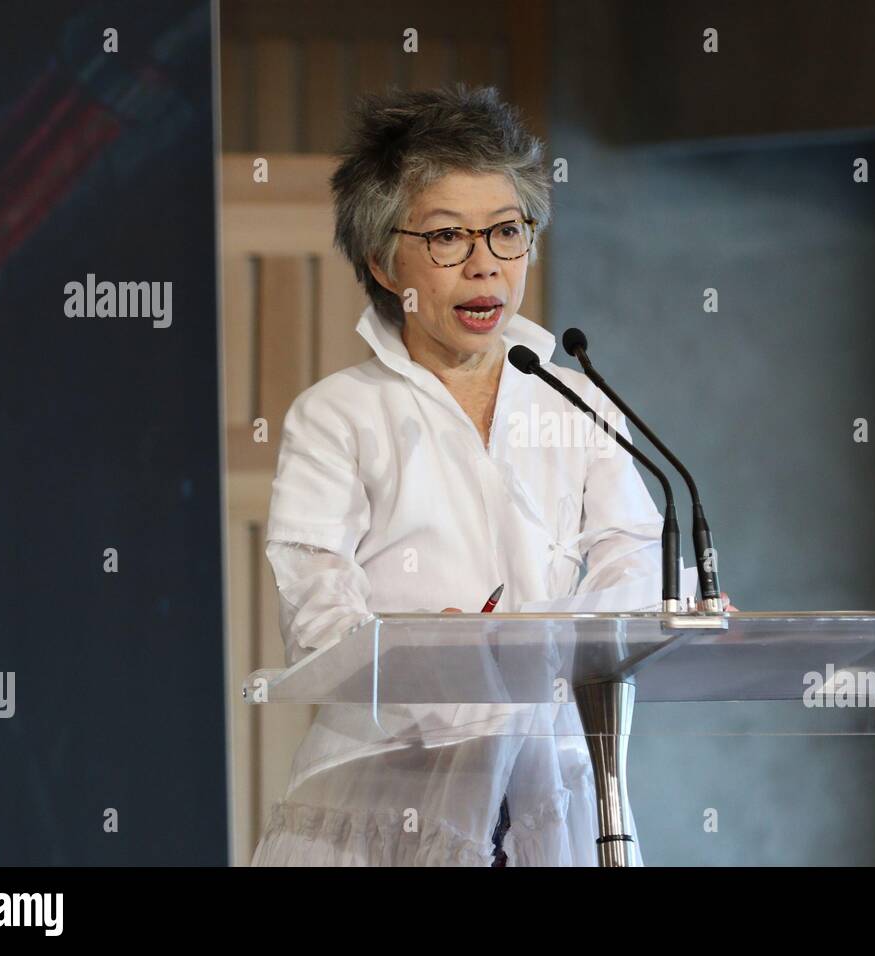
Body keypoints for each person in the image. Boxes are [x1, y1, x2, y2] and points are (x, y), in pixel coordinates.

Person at [250, 84, 730, 868]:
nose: (485, 265)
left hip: (556, 787)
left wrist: (542, 640)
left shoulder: (573, 393)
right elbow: (315, 613)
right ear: (380, 258)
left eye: (507, 232)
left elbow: (633, 553)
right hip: (389, 797)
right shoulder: (336, 415)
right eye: (447, 238)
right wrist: (426, 649)